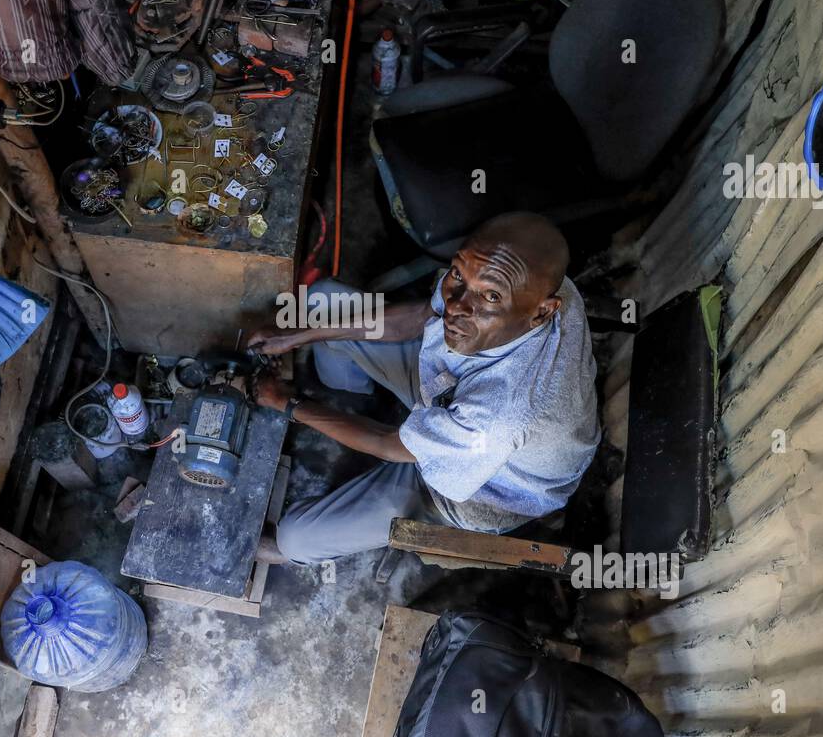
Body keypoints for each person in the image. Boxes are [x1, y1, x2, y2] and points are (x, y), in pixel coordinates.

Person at [249, 212, 601, 565]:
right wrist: (297, 335)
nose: (456, 306)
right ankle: (353, 395)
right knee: (320, 302)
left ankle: (312, 531)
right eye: (458, 274)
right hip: (449, 387)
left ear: (542, 313)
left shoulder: (502, 415)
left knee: (294, 539)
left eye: (491, 297)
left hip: (482, 485)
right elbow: (423, 316)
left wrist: (285, 401)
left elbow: (388, 444)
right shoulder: (526, 284)